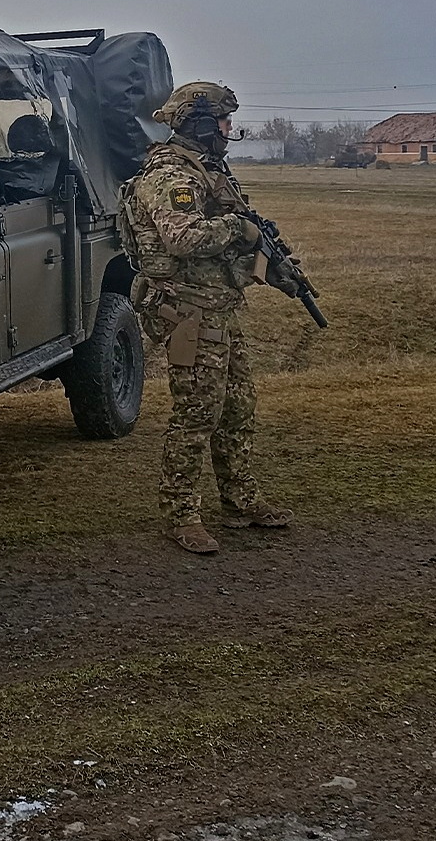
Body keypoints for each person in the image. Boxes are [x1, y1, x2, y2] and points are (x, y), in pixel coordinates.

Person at [120, 81, 294, 554]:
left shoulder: (210, 170)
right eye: (223, 121)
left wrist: (270, 263)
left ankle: (240, 501)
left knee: (238, 407)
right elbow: (184, 238)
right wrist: (240, 228)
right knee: (197, 413)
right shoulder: (171, 176)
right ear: (200, 122)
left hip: (220, 305)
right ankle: (182, 512)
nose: (228, 129)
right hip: (188, 310)